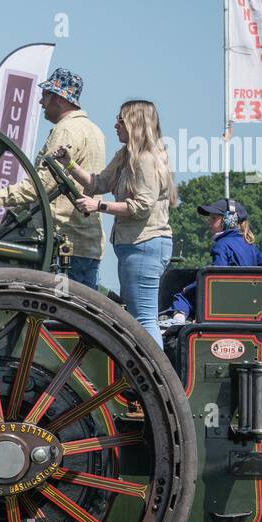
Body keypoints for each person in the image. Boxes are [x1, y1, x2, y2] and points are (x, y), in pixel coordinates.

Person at [0, 68, 107, 289]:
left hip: (60, 243)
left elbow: (43, 184)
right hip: (87, 242)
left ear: (58, 98)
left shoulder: (66, 131)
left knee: (53, 312)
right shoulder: (94, 131)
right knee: (81, 316)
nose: (40, 102)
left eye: (45, 96)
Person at [60, 100, 176, 345]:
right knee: (138, 318)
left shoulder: (145, 159)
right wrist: (69, 164)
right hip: (136, 246)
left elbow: (142, 206)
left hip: (144, 244)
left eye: (120, 120)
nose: (115, 125)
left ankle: (158, 380)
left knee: (143, 320)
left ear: (135, 124)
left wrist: (99, 206)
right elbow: (98, 183)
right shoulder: (126, 156)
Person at [169, 199, 262, 321]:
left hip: (224, 304)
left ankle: (178, 325)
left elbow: (214, 277)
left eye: (214, 218)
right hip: (247, 306)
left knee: (182, 296)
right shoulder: (250, 246)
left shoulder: (221, 245)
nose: (209, 223)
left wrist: (188, 288)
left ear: (229, 220)